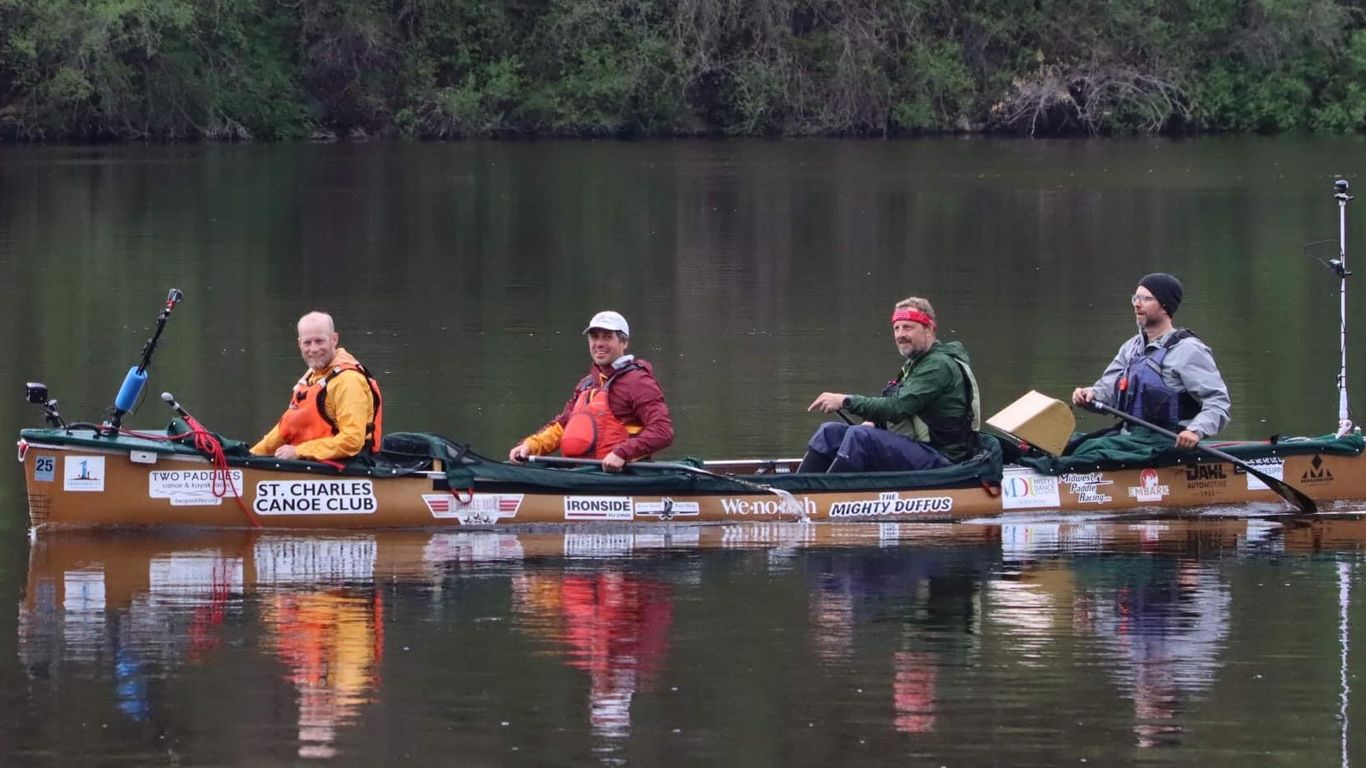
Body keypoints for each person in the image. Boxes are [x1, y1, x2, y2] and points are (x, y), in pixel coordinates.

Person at [801, 297, 981, 473]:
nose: (901, 335)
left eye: (908, 327)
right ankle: (799, 490)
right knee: (829, 433)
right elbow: (908, 408)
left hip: (943, 458)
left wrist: (846, 401)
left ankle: (824, 496)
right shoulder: (918, 363)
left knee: (859, 437)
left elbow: (898, 408)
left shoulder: (938, 365)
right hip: (920, 448)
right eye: (897, 328)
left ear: (930, 329)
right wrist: (875, 423)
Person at [1070, 272, 1230, 451]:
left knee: (1087, 450)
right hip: (1130, 437)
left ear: (1164, 306)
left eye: (1146, 299)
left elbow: (1218, 402)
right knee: (1067, 443)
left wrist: (1195, 431)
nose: (1137, 304)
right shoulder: (1131, 347)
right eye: (1136, 298)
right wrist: (1089, 395)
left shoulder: (1189, 350)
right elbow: (1107, 392)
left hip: (1166, 442)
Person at [508, 310, 674, 472]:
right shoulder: (587, 384)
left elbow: (662, 431)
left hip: (623, 477)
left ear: (624, 343)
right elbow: (562, 426)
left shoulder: (638, 382)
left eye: (608, 337)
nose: (599, 344)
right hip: (584, 474)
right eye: (594, 337)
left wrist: (622, 453)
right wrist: (530, 446)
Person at [251, 311, 383, 462]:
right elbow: (285, 429)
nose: (313, 349)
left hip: (348, 465)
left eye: (319, 341)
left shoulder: (348, 380)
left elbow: (352, 441)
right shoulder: (313, 376)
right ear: (299, 343)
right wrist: (251, 456)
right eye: (307, 343)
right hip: (316, 462)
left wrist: (299, 451)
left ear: (334, 339)